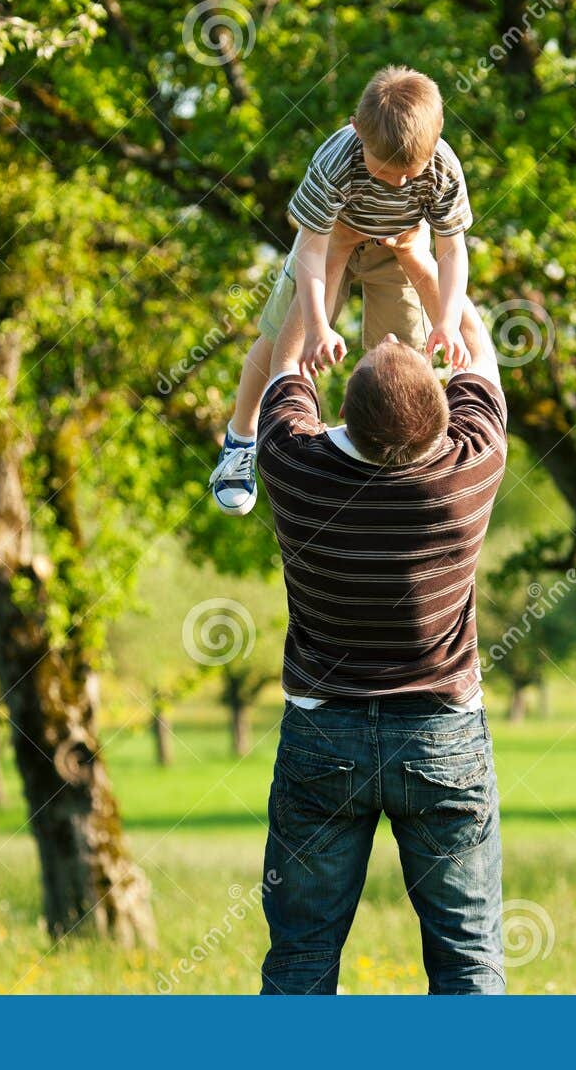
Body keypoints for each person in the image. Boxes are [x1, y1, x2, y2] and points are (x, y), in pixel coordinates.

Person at [251, 280, 507, 994]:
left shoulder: (294, 467)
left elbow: (286, 366)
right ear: (440, 420)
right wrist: (427, 271)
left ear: (343, 416)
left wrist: (317, 275)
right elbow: (480, 359)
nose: (390, 338)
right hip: (442, 740)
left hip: (321, 737)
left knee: (301, 959)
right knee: (468, 962)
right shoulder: (470, 472)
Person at [209, 65, 475, 516]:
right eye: (387, 173)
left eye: (412, 173)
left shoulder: (443, 166)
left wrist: (448, 321)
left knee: (406, 359)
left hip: (400, 252)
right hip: (332, 244)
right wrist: (316, 326)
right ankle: (240, 437)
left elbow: (452, 251)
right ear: (357, 131)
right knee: (280, 338)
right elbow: (311, 253)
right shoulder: (335, 160)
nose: (401, 183)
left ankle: (389, 466)